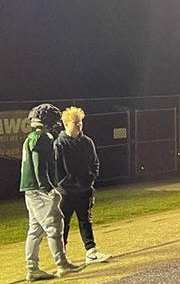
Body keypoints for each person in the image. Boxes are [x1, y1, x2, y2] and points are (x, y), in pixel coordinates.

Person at [20, 103, 85, 281]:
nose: (57, 123)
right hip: (40, 190)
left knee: (35, 229)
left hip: (30, 190)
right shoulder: (43, 137)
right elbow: (39, 165)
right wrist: (48, 188)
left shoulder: (32, 137)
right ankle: (62, 264)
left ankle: (32, 268)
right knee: (54, 224)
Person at [55, 106, 111, 264]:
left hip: (84, 190)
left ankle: (91, 252)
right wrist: (66, 183)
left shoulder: (87, 142)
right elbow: (57, 169)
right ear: (66, 124)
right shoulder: (59, 144)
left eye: (80, 122)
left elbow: (95, 163)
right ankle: (61, 256)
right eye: (75, 123)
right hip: (66, 193)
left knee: (85, 221)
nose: (79, 125)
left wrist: (90, 179)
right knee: (63, 224)